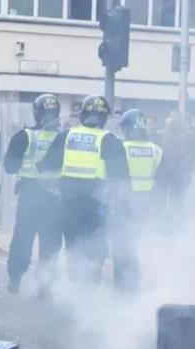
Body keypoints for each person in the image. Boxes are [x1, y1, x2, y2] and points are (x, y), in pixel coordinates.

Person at [38, 95, 128, 285]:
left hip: (69, 203)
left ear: (83, 114)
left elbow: (48, 164)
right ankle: (92, 284)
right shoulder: (110, 140)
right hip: (97, 204)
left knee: (73, 245)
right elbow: (121, 175)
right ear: (105, 117)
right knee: (96, 244)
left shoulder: (65, 136)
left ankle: (77, 288)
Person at [3, 94, 63, 298]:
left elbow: (9, 167)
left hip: (30, 194)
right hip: (56, 196)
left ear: (37, 112)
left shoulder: (25, 136)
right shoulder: (65, 137)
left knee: (22, 237)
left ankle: (15, 278)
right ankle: (45, 285)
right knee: (51, 241)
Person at [110, 109, 163, 292]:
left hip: (124, 201)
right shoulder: (155, 149)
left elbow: (114, 174)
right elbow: (158, 175)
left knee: (119, 243)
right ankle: (134, 283)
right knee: (135, 243)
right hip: (144, 202)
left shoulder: (121, 147)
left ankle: (120, 284)